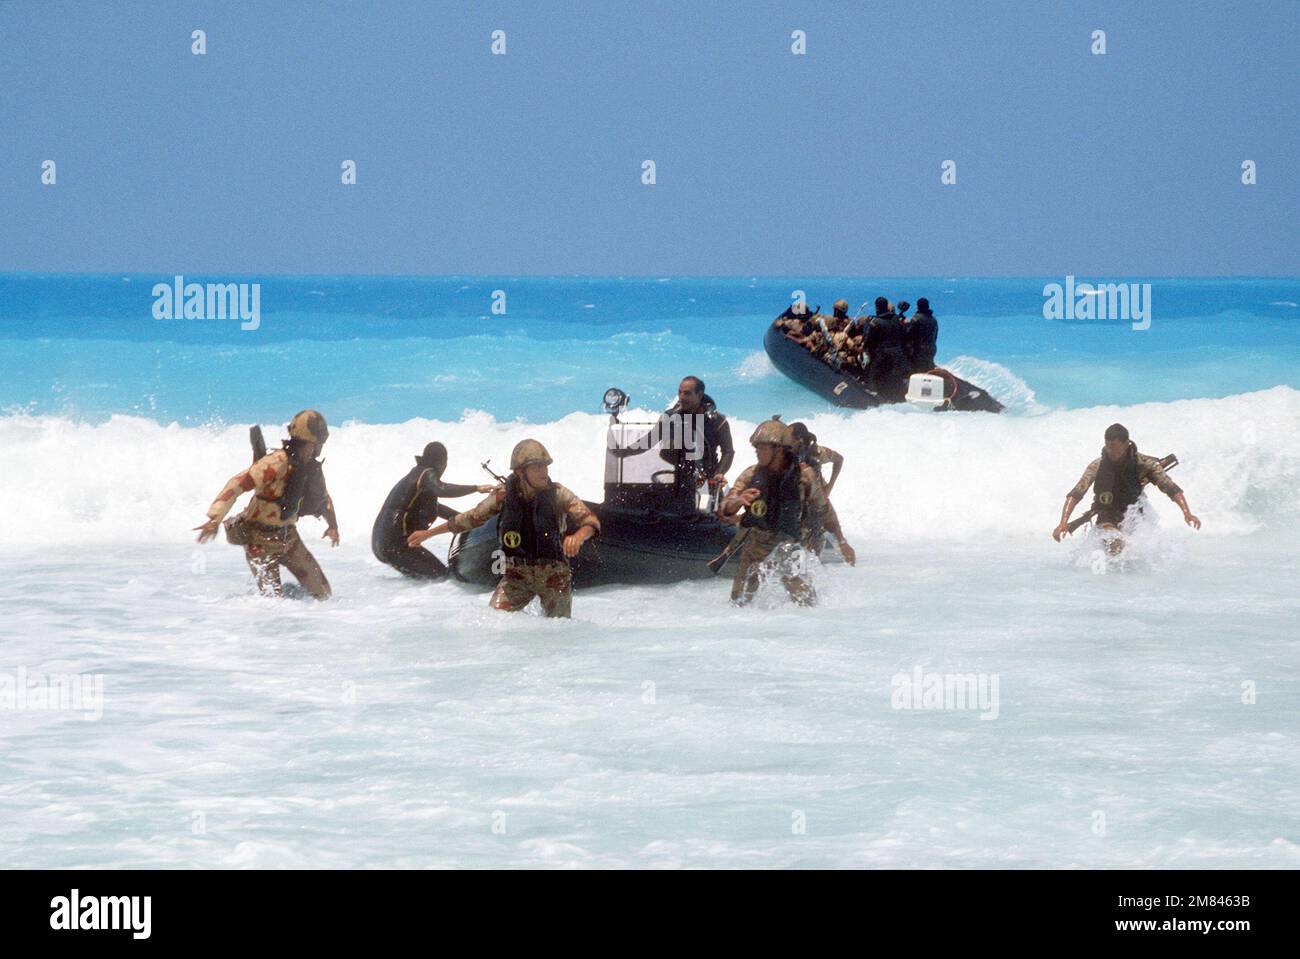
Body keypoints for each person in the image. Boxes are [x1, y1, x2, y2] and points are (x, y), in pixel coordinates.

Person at [408, 439, 599, 618]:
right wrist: (429, 533)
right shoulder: (504, 496)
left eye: (546, 466)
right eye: (537, 467)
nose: (545, 472)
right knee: (494, 621)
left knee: (560, 630)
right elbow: (471, 518)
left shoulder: (558, 494)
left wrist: (579, 536)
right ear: (520, 472)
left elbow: (591, 522)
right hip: (517, 576)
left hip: (553, 575)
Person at [194, 409, 339, 599]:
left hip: (289, 538)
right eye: (318, 443)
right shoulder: (275, 463)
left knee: (324, 596)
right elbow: (237, 484)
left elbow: (322, 498)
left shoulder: (309, 467)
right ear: (311, 442)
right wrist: (214, 519)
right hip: (260, 540)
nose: (320, 448)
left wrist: (333, 525)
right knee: (272, 603)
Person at [718, 417, 855, 606]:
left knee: (807, 603)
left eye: (762, 447)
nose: (757, 452)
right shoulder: (751, 474)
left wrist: (842, 541)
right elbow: (726, 506)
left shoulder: (804, 476)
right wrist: (738, 502)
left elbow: (824, 510)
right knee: (739, 601)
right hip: (756, 545)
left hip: (789, 545)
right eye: (756, 447)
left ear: (779, 450)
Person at [1052, 423, 1201, 542]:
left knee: (1136, 549)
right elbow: (1076, 494)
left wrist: (1187, 513)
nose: (1110, 450)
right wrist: (1063, 522)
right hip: (1107, 517)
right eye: (1107, 445)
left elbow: (1171, 488)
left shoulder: (1144, 464)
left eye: (1114, 445)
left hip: (1134, 516)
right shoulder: (1097, 466)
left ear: (1126, 444)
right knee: (1114, 542)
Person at [371, 442, 495, 579]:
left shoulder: (417, 478)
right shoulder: (426, 474)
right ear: (443, 463)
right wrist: (476, 488)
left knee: (425, 579)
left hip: (381, 545)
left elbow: (439, 509)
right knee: (442, 577)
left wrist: (474, 520)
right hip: (397, 545)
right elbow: (442, 489)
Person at [659, 376, 734, 509]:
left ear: (699, 395)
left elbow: (728, 452)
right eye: (680, 392)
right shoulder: (670, 418)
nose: (681, 397)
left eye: (687, 393)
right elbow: (662, 451)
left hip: (709, 480)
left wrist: (719, 474)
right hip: (678, 478)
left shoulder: (717, 421)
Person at [788, 422, 845, 555]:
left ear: (799, 439)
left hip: (815, 497)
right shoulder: (785, 452)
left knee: (814, 539)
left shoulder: (817, 452)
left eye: (788, 436)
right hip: (797, 498)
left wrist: (830, 486)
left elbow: (839, 459)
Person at [864, 296, 908, 398]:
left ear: (877, 307)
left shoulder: (875, 323)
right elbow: (904, 334)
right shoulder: (896, 319)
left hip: (882, 355)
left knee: (872, 373)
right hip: (897, 353)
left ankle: (873, 394)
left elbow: (868, 342)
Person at [905, 297, 939, 373]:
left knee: (917, 371)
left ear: (918, 306)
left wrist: (906, 325)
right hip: (931, 349)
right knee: (928, 371)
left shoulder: (916, 318)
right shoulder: (933, 320)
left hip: (919, 350)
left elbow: (909, 334)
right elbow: (935, 336)